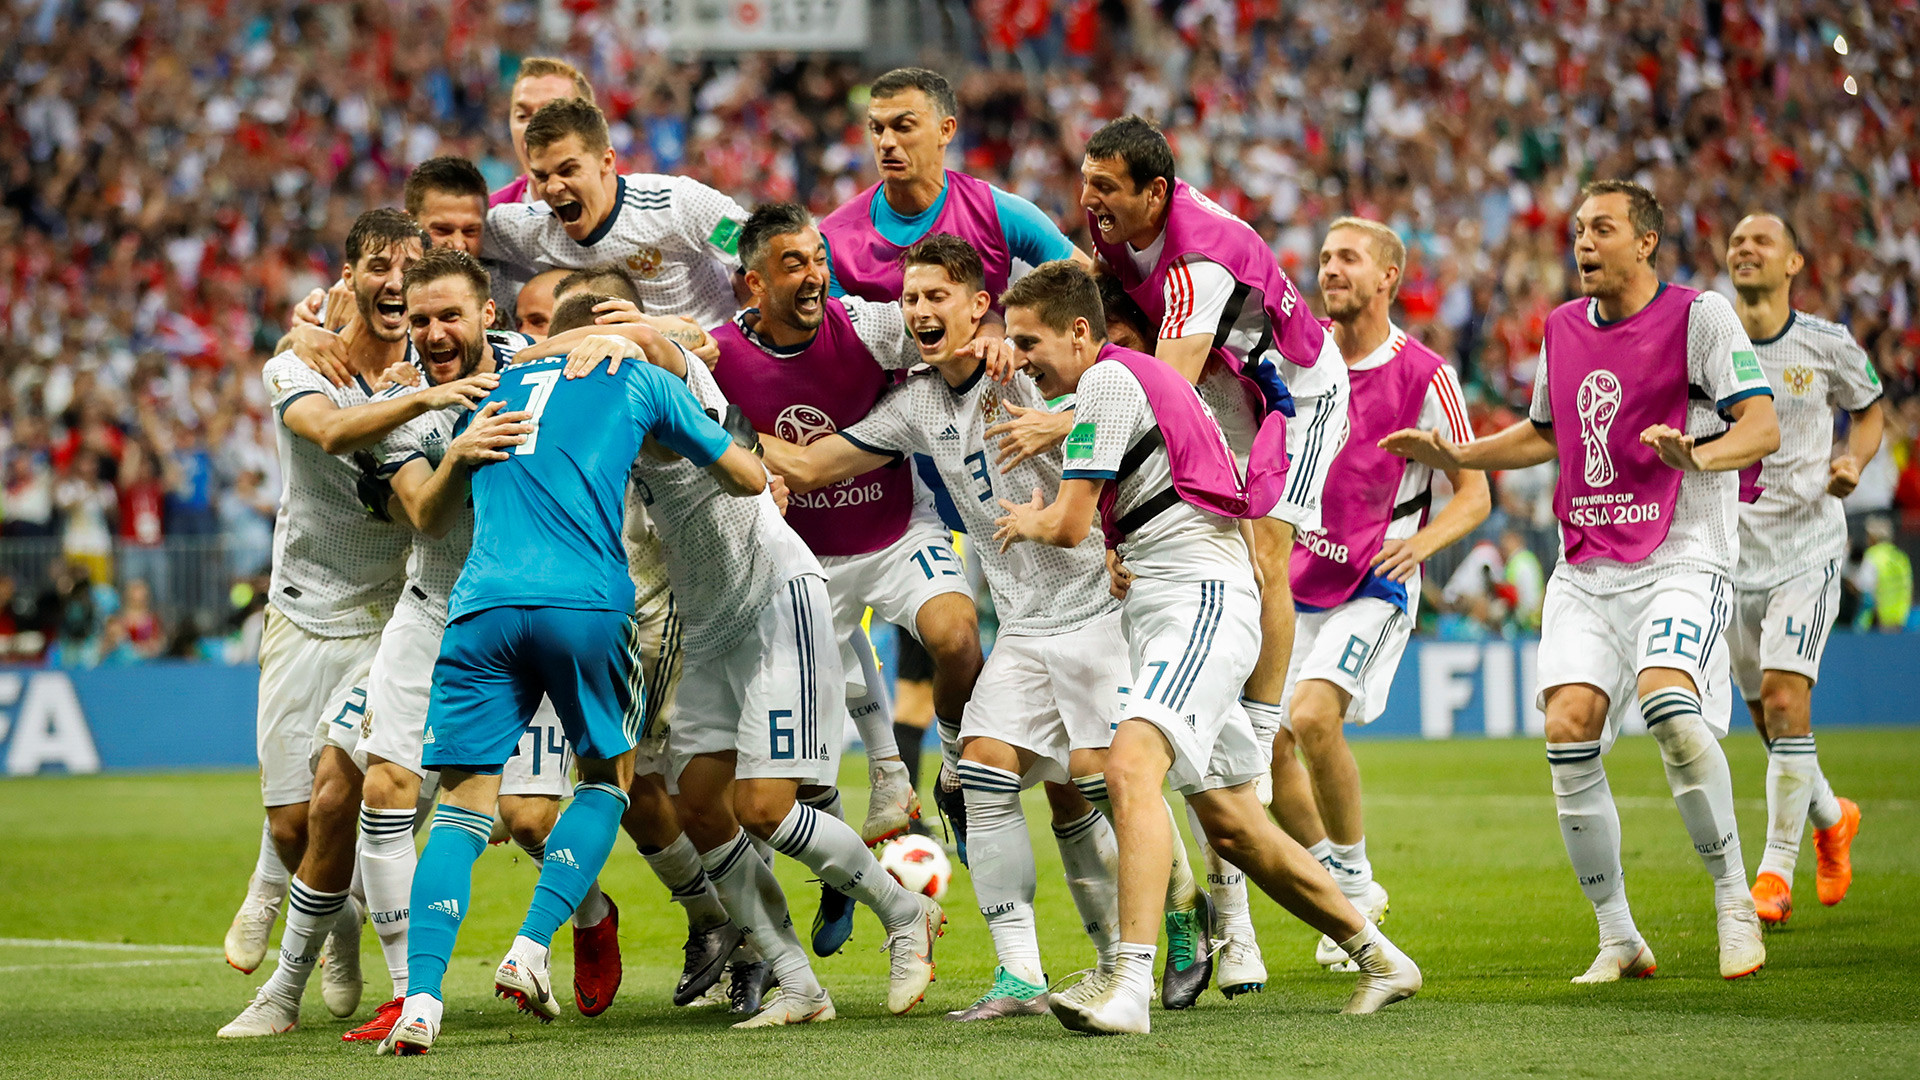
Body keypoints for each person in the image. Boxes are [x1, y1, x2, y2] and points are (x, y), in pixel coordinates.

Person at [994, 260, 1420, 1034]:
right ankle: (1382, 956)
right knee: (1232, 826)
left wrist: (1027, 520)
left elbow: (1063, 523)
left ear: (1081, 332)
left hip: (1199, 603)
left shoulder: (1109, 384)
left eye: (1029, 341)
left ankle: (1127, 982)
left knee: (1127, 768)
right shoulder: (1125, 380)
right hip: (1179, 601)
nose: (1020, 359)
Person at [1383, 180, 1779, 982]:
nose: (1583, 244)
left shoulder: (1701, 317)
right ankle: (1619, 934)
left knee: (1669, 703)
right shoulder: (1562, 328)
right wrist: (1455, 456)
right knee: (1567, 729)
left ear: (1646, 242)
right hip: (1587, 563)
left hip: (1683, 548)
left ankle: (1735, 902)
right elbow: (1541, 435)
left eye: (1602, 229)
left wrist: (1696, 457)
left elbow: (1761, 424)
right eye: (1576, 231)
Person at [377, 292, 768, 1057]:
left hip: (480, 605)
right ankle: (530, 945)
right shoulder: (640, 376)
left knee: (460, 805)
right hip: (584, 602)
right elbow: (745, 478)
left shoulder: (491, 392)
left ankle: (420, 1002)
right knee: (606, 780)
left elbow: (433, 512)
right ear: (613, 332)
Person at [556, 290, 949, 1031]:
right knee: (700, 806)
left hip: (775, 596)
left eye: (595, 349)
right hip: (709, 625)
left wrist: (641, 337)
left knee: (763, 806)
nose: (588, 368)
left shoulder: (672, 379)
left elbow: (671, 352)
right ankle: (799, 984)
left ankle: (906, 913)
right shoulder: (595, 430)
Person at [761, 235, 1130, 1019]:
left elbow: (1122, 395)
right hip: (1027, 628)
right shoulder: (916, 404)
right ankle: (1021, 978)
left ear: (978, 306)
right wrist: (706, 423)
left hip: (1103, 607)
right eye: (912, 300)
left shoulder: (1028, 367)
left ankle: (1168, 931)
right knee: (986, 778)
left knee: (1097, 787)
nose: (922, 311)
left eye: (938, 297)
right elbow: (816, 464)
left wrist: (1052, 410)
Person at [220, 210, 499, 1037]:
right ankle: (327, 915)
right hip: (303, 609)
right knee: (294, 820)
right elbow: (333, 431)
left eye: (407, 269)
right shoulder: (302, 362)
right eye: (377, 265)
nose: (393, 282)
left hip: (394, 614)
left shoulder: (436, 355)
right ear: (349, 277)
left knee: (348, 790)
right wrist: (423, 393)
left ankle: (286, 985)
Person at [707, 204, 975, 954]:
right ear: (752, 282)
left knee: (956, 636)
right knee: (791, 775)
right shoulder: (720, 355)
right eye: (793, 263)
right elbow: (673, 375)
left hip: (895, 533)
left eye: (819, 257)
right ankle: (843, 868)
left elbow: (950, 338)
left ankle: (949, 771)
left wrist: (993, 344)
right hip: (801, 563)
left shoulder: (868, 325)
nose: (816, 275)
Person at [1270, 218, 1489, 973]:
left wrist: (1422, 545)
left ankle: (1355, 886)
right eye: (1325, 257)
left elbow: (1474, 493)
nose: (1330, 269)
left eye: (1349, 259)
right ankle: (1339, 879)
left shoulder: (1427, 375)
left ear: (1388, 276)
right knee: (1265, 750)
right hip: (1293, 578)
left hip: (1375, 581)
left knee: (1312, 715)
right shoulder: (1298, 361)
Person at [1722, 211, 1881, 924]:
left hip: (1807, 548)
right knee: (1769, 721)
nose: (1744, 248)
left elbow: (1870, 408)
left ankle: (1774, 875)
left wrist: (1855, 458)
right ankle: (1831, 817)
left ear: (1793, 264)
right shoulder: (1709, 343)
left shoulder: (1826, 343)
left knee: (1787, 701)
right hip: (1732, 557)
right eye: (1736, 241)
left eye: (1761, 241)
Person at [819, 67, 1090, 306]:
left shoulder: (997, 212)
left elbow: (1091, 286)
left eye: (903, 127)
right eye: (877, 129)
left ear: (946, 130)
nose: (886, 142)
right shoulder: (833, 241)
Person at [482, 97, 746, 328]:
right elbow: (455, 226)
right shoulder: (530, 227)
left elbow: (761, 254)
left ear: (607, 161)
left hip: (707, 353)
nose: (552, 187)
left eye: (568, 170)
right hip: (616, 370)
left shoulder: (677, 204)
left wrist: (735, 331)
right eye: (541, 176)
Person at [492, 58, 595, 207]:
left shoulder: (628, 214)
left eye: (550, 113)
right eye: (522, 116)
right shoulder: (490, 219)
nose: (532, 127)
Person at [1855, 515, 1912, 631]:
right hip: (1899, 619)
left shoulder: (1873, 556)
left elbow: (1863, 586)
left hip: (1876, 621)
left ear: (1873, 537)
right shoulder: (1901, 557)